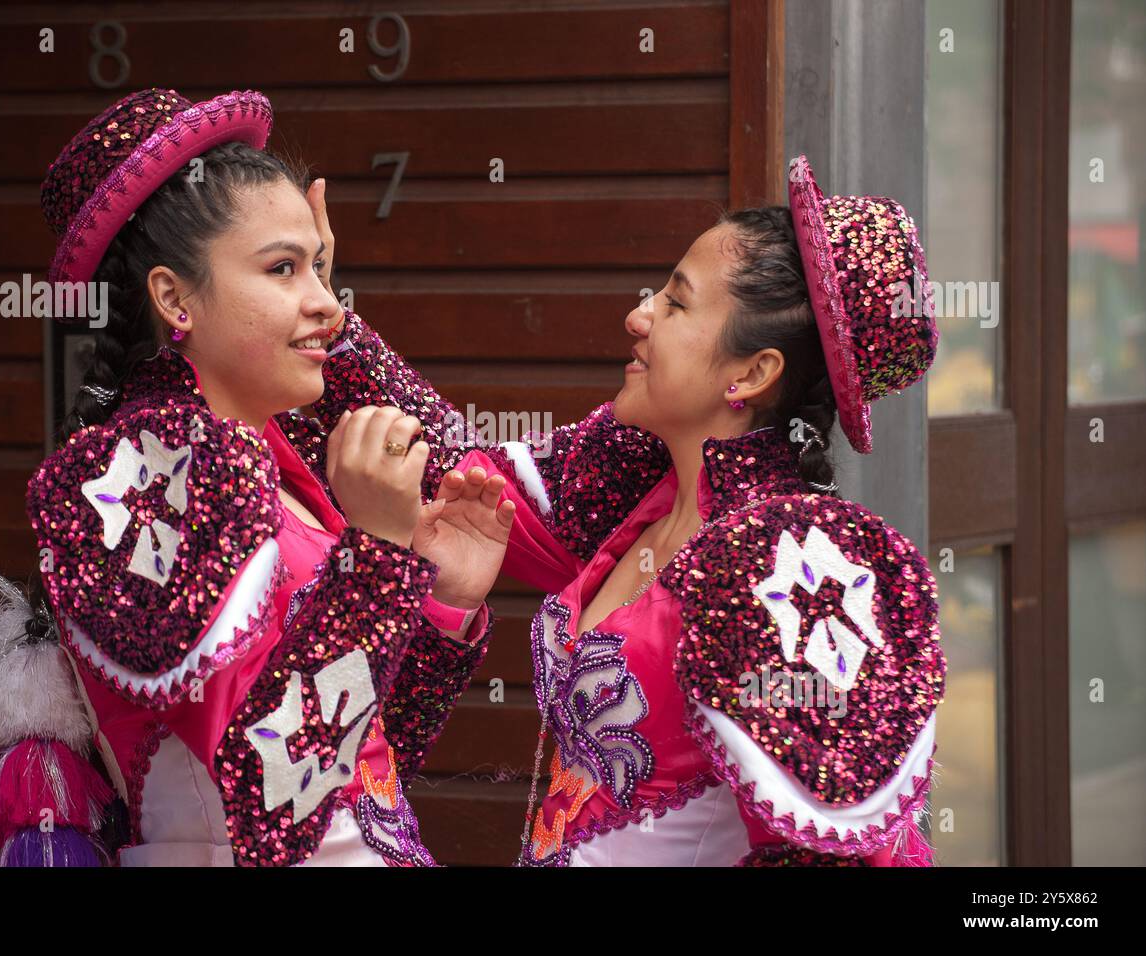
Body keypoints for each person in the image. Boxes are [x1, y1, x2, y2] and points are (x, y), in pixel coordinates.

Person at [311, 155, 946, 865]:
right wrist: (328, 330)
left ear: (752, 373)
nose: (637, 316)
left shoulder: (787, 559)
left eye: (674, 304)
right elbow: (472, 480)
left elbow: (829, 847)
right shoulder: (644, 479)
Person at [0, 88, 514, 867]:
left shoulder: (274, 467)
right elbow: (268, 797)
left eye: (321, 266)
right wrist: (381, 556)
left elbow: (359, 771)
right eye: (284, 268)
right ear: (174, 297)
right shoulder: (142, 478)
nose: (329, 304)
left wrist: (445, 603)